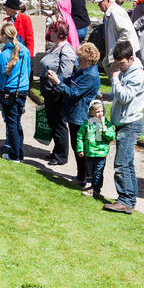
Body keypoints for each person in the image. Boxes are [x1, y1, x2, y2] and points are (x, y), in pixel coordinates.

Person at [47, 41, 102, 187]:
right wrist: (57, 77)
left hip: (80, 116)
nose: (78, 61)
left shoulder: (91, 75)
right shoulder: (83, 70)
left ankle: (83, 177)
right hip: (74, 114)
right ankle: (84, 174)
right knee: (78, 147)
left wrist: (58, 82)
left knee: (79, 148)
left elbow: (73, 93)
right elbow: (70, 81)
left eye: (81, 59)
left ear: (89, 60)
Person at [103, 39, 144, 215]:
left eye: (121, 63)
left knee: (121, 164)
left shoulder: (137, 76)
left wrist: (114, 78)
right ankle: (128, 200)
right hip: (124, 124)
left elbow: (125, 97)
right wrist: (105, 96)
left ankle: (125, 201)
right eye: (117, 63)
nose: (118, 67)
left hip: (130, 125)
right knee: (127, 164)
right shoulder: (127, 72)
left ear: (130, 58)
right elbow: (118, 94)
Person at [39, 20, 78, 168]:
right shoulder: (56, 47)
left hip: (57, 93)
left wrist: (57, 87)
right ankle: (57, 150)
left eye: (53, 30)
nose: (51, 33)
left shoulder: (66, 50)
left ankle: (61, 156)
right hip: (50, 92)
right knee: (53, 122)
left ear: (59, 33)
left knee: (58, 123)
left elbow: (66, 74)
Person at [0, 23, 30, 161]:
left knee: (12, 123)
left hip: (10, 92)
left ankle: (15, 155)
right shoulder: (25, 51)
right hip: (23, 91)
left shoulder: (4, 55)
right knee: (17, 122)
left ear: (3, 36)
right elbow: (28, 71)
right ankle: (19, 152)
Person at [76, 99, 115, 198]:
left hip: (100, 153)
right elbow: (80, 136)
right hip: (90, 152)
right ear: (91, 112)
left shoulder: (106, 123)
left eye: (101, 111)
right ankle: (93, 187)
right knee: (93, 172)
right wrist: (80, 149)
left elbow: (111, 137)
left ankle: (96, 190)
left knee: (98, 172)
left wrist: (104, 129)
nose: (100, 114)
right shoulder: (88, 123)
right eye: (97, 112)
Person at [96, 0, 139, 71]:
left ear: (108, 1)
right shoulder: (110, 12)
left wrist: (118, 48)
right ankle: (117, 82)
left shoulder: (115, 11)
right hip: (119, 48)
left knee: (123, 69)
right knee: (107, 64)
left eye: (100, 2)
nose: (98, 5)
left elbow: (125, 31)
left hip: (124, 49)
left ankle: (120, 82)